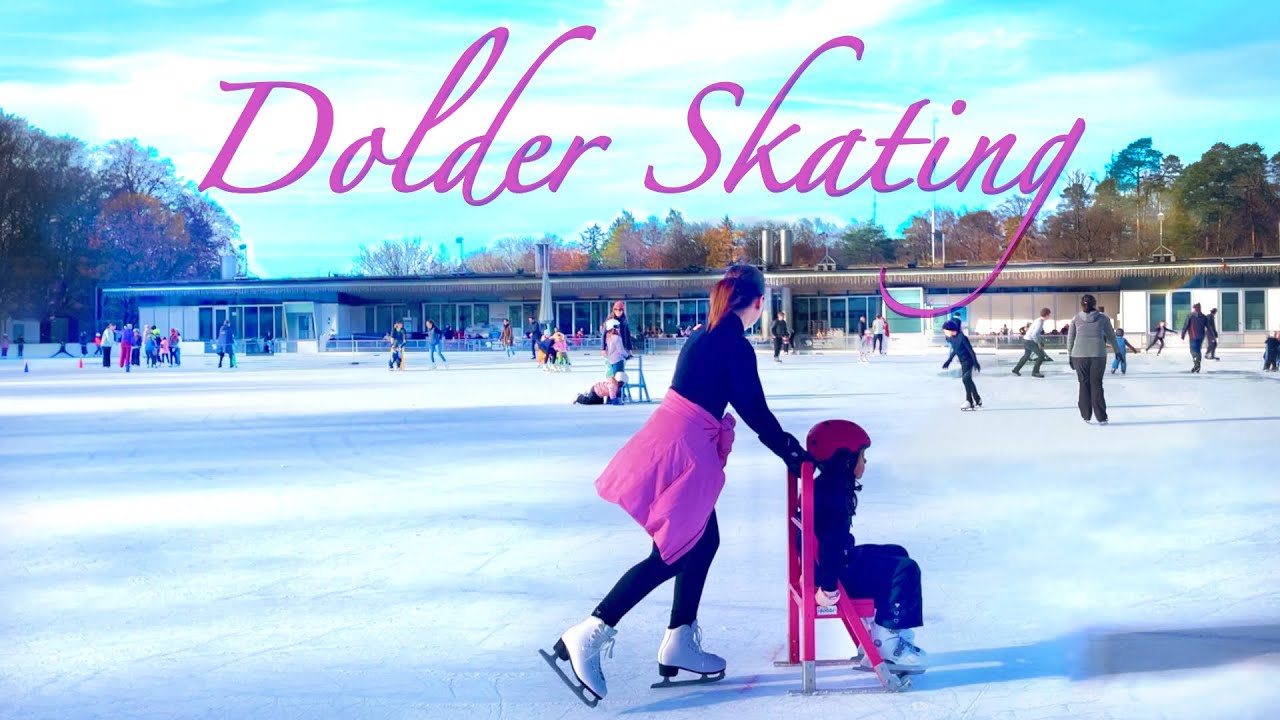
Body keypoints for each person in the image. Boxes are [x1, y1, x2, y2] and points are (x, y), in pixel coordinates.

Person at [547, 265, 812, 705]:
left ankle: (679, 639)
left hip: (672, 440)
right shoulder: (732, 343)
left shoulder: (705, 333)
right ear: (759, 303)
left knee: (702, 541)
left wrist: (788, 449)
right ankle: (589, 633)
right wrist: (792, 451)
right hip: (684, 452)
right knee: (674, 551)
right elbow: (754, 410)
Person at [807, 420, 927, 673]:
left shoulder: (827, 486)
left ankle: (881, 628)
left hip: (831, 564)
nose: (866, 462)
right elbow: (830, 542)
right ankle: (886, 643)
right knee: (906, 569)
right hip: (832, 574)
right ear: (845, 460)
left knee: (897, 552)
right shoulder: (834, 497)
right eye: (862, 455)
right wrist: (828, 588)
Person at [1068, 293, 1116, 424]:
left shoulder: (1075, 318)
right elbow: (1111, 336)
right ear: (1094, 304)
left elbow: (1070, 338)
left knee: (1083, 384)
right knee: (1096, 384)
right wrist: (1118, 352)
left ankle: (1086, 416)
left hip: (1079, 355)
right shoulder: (1103, 318)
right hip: (1098, 355)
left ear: (1082, 305)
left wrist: (1070, 355)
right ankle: (1101, 417)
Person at [941, 320, 982, 411]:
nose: (944, 333)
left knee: (965, 379)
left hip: (969, 361)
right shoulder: (952, 339)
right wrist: (948, 361)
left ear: (951, 330)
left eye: (945, 331)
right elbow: (955, 350)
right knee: (968, 380)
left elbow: (970, 351)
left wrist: (976, 362)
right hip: (962, 362)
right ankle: (977, 398)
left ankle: (969, 401)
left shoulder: (962, 338)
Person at [1012, 308, 1052, 378]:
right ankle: (1035, 372)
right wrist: (1039, 343)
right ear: (1046, 315)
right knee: (1041, 356)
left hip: (1026, 340)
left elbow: (1035, 334)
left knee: (1026, 356)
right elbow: (1034, 334)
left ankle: (1016, 369)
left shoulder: (1038, 320)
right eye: (1049, 315)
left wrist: (1039, 341)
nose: (1049, 316)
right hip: (1030, 341)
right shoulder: (1039, 322)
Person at [601, 301, 633, 373]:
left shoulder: (624, 321)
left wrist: (629, 349)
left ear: (623, 310)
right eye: (616, 309)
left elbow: (628, 336)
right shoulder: (610, 321)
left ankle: (619, 382)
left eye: (620, 310)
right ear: (613, 310)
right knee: (611, 372)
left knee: (619, 371)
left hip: (621, 347)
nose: (618, 312)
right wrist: (603, 348)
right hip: (611, 348)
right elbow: (603, 335)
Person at [1180, 303, 1209, 373]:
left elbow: (1186, 325)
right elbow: (1208, 326)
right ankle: (1197, 365)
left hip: (1193, 336)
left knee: (1193, 351)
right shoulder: (1204, 316)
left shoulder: (1190, 315)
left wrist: (1183, 334)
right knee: (1198, 351)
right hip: (1201, 336)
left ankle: (1196, 365)